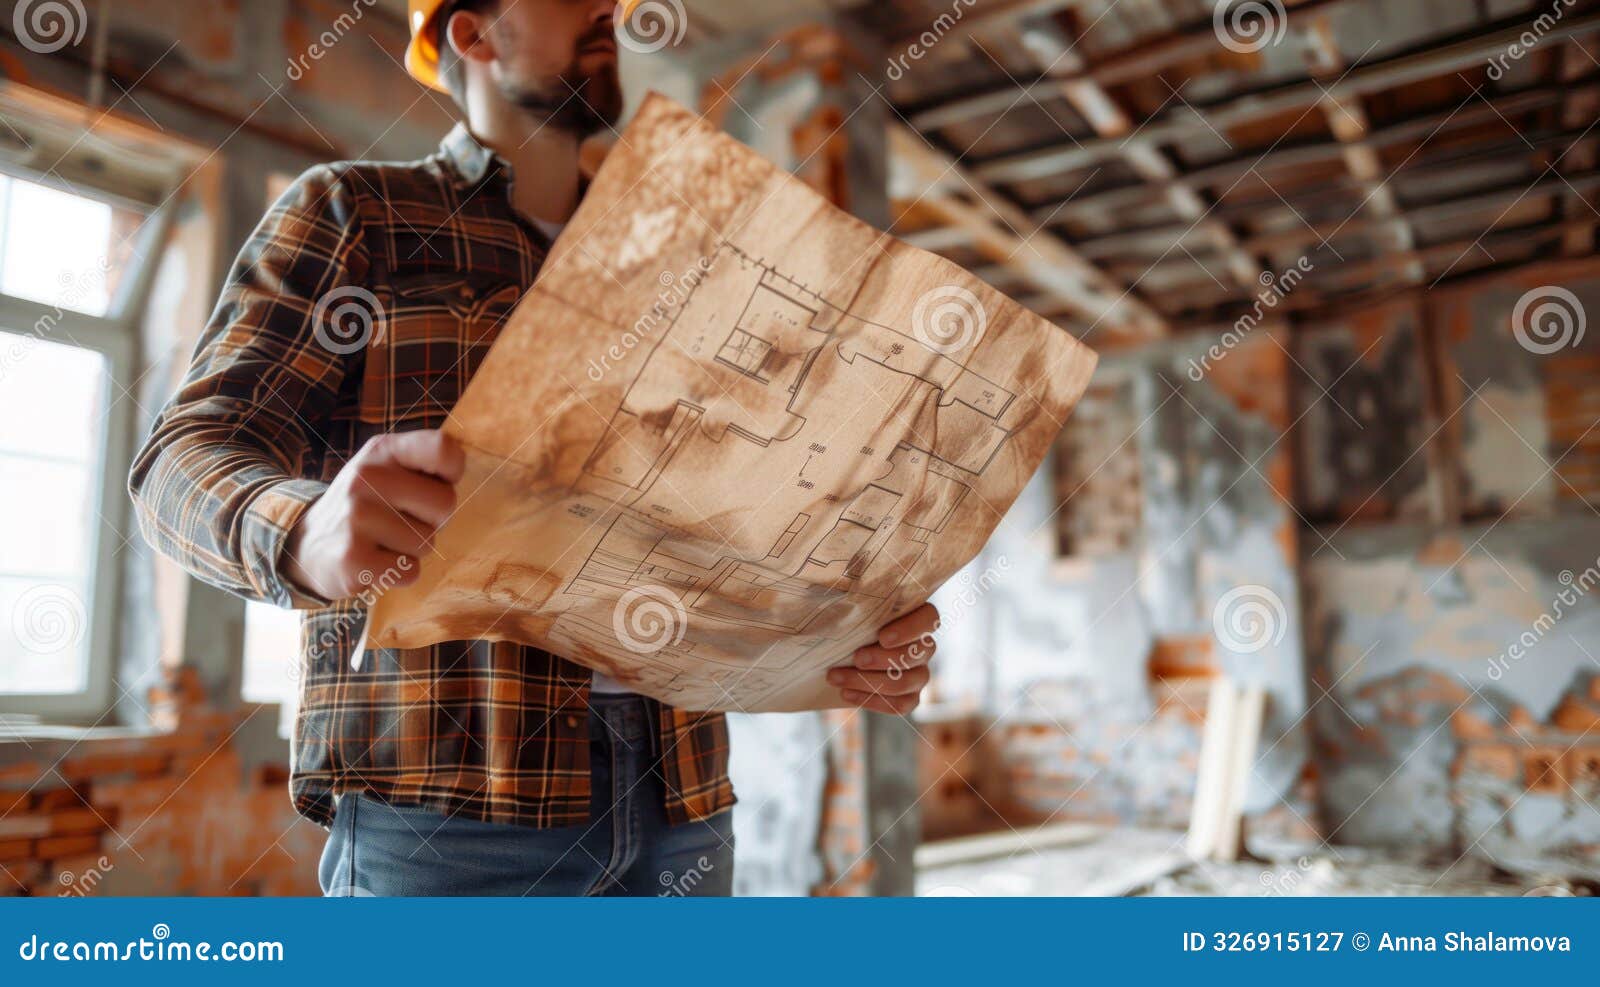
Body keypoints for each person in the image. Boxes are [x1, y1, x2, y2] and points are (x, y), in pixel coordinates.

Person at [129, 0, 938, 897]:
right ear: (470, 33)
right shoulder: (359, 214)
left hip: (685, 796)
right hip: (451, 810)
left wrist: (841, 627)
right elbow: (180, 459)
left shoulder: (683, 264)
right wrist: (301, 531)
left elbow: (731, 510)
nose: (607, 10)